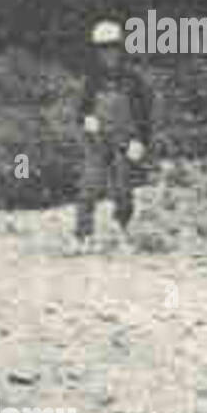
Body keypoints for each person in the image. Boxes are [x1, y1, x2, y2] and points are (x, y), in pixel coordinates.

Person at [71, 19, 154, 255]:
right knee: (89, 185)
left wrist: (142, 141)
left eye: (112, 47)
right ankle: (83, 235)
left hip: (125, 140)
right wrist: (86, 120)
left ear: (120, 48)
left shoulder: (133, 80)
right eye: (103, 48)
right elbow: (81, 111)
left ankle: (123, 232)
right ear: (96, 51)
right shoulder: (91, 80)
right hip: (97, 140)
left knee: (123, 189)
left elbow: (145, 114)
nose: (108, 53)